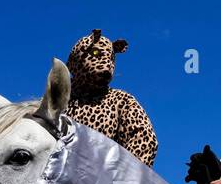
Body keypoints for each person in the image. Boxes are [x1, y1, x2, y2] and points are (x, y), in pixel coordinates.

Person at [64, 30, 159, 166]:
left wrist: (118, 175)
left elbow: (144, 138)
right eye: (96, 54)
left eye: (111, 59)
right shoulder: (58, 103)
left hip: (102, 176)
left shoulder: (121, 100)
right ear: (77, 58)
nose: (107, 64)